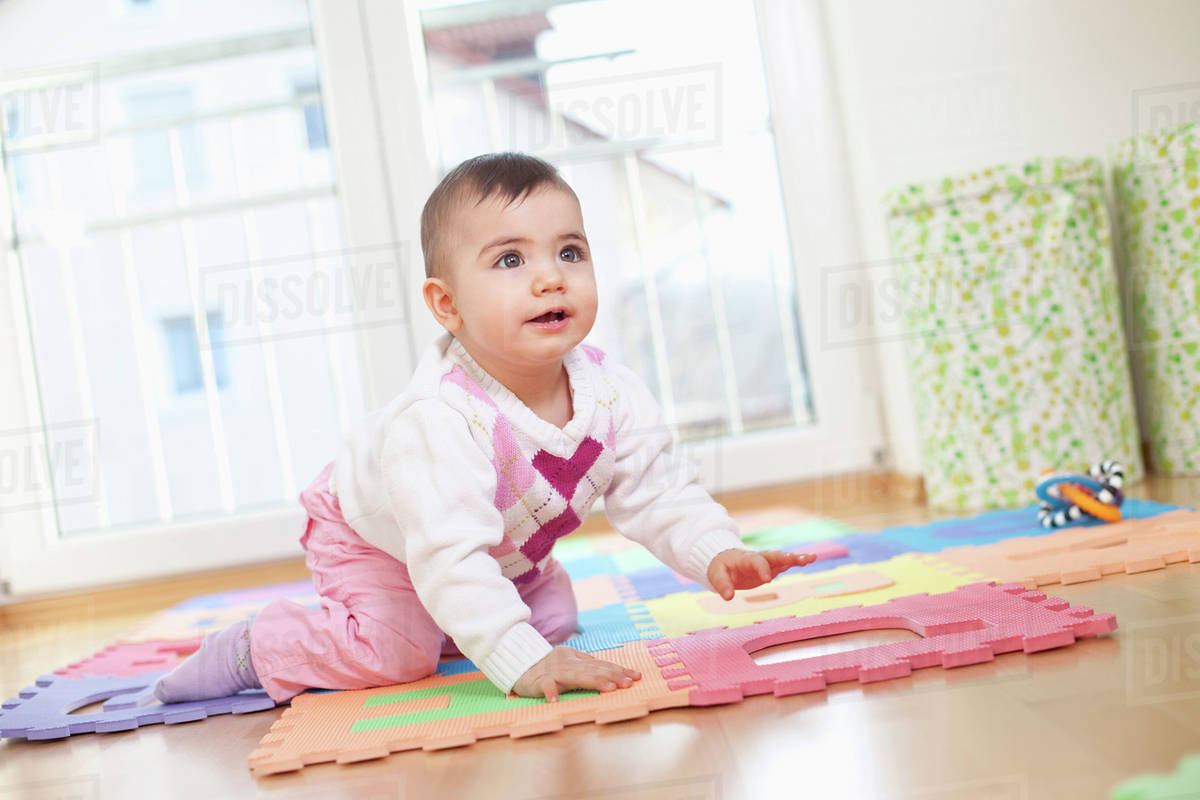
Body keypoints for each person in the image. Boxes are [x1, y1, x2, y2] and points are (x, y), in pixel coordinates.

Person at [153, 152, 815, 705]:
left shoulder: (612, 394)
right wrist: (519, 662)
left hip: (494, 547)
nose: (550, 275)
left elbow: (660, 491)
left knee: (552, 623)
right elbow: (447, 554)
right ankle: (259, 645)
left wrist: (717, 551)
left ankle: (462, 613)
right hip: (378, 541)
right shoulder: (439, 421)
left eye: (569, 251)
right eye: (509, 261)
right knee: (399, 654)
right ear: (448, 305)